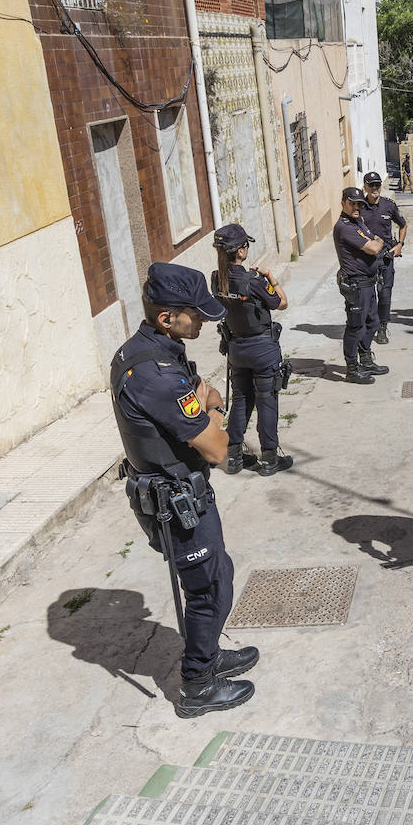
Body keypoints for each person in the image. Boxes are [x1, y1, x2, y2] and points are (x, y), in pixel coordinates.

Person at [110, 263, 258, 718]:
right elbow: (218, 448)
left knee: (218, 575)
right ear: (167, 317)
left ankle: (208, 653)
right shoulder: (152, 371)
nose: (205, 321)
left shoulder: (154, 349)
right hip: (176, 503)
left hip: (183, 493)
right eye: (196, 314)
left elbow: (196, 386)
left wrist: (202, 396)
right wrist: (213, 415)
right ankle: (197, 683)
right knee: (208, 590)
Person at [210, 223, 293, 476]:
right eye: (246, 245)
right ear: (241, 251)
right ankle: (269, 459)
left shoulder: (216, 279)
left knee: (241, 399)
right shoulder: (253, 281)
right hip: (262, 349)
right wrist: (270, 277)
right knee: (267, 401)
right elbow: (282, 303)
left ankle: (234, 455)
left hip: (237, 348)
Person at [333, 186, 389, 384]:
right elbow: (374, 246)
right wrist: (377, 242)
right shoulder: (345, 227)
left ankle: (365, 360)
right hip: (356, 285)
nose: (357, 207)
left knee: (372, 322)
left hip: (368, 282)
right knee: (355, 327)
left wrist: (375, 241)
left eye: (359, 204)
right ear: (343, 204)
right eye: (352, 203)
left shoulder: (358, 222)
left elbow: (372, 240)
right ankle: (352, 368)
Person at [360, 171, 407, 345]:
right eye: (371, 185)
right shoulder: (359, 207)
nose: (374, 188)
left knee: (385, 292)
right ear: (365, 187)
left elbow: (403, 225)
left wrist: (400, 244)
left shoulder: (389, 205)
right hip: (365, 258)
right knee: (367, 294)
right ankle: (369, 324)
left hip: (386, 256)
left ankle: (382, 327)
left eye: (377, 185)